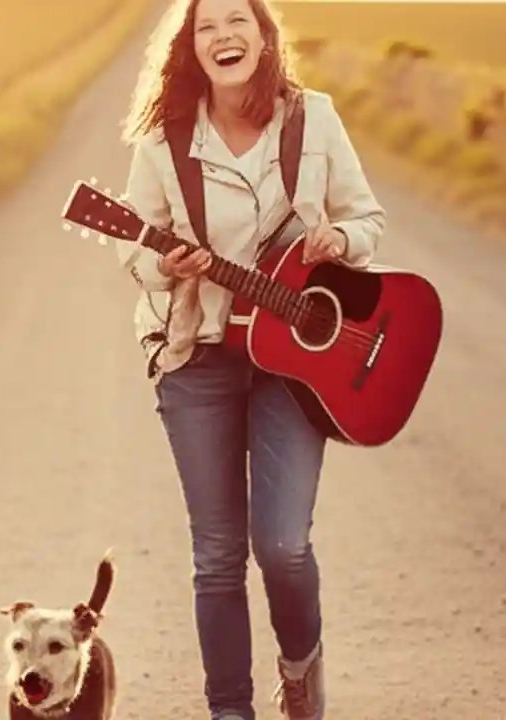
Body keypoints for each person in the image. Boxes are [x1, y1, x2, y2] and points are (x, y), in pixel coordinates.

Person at [113, 0, 387, 718]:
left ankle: (300, 666)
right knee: (217, 559)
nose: (223, 35)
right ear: (190, 47)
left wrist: (341, 243)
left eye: (238, 20)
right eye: (206, 26)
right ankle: (229, 710)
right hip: (196, 355)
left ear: (266, 38)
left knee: (284, 546)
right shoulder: (163, 145)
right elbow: (132, 252)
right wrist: (166, 263)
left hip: (294, 363)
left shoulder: (313, 120)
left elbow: (368, 221)